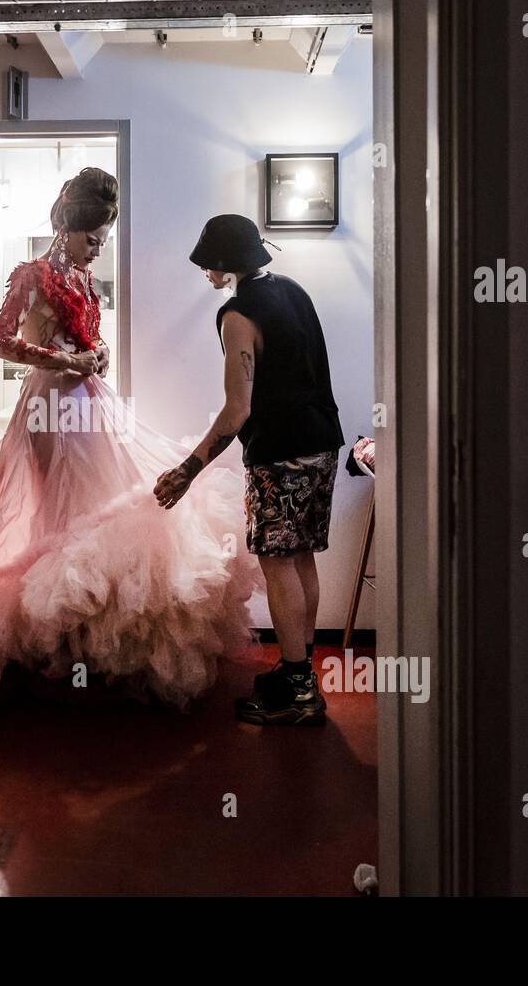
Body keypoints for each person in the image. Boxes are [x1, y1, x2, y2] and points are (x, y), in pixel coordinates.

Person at [0, 171, 259, 747]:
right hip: (48, 409)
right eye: (94, 236)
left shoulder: (84, 278)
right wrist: (66, 363)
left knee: (97, 512)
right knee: (54, 516)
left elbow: (89, 339)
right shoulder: (32, 276)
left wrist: (100, 352)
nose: (99, 247)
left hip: (90, 407)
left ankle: (77, 657)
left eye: (105, 238)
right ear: (68, 226)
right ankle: (50, 656)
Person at [154, 214, 343, 726]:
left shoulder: (236, 314)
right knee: (301, 556)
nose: (205, 273)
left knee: (278, 563)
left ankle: (298, 692)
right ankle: (298, 672)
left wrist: (187, 470)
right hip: (323, 443)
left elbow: (236, 411)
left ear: (223, 263)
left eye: (208, 263)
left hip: (280, 452)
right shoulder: (292, 290)